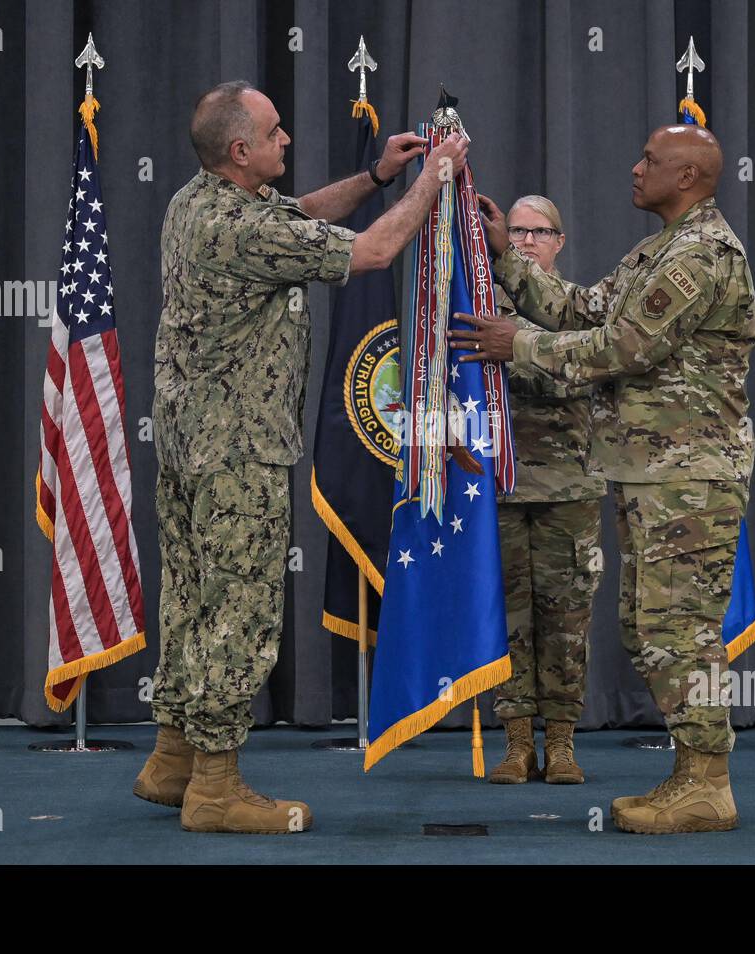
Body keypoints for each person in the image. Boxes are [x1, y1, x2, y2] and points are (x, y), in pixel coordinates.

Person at [134, 80, 467, 834]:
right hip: (238, 451)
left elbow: (304, 216)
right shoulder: (240, 227)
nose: (289, 139)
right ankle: (216, 786)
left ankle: (173, 757)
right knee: (239, 610)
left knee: (191, 601)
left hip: (192, 445)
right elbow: (378, 250)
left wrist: (380, 176)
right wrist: (434, 177)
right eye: (276, 131)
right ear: (241, 151)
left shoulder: (198, 201)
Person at [449, 124, 755, 834]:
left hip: (689, 475)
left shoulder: (701, 255)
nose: (634, 167)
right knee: (652, 625)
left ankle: (708, 781)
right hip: (652, 473)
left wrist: (515, 343)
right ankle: (690, 774)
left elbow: (619, 347)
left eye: (650, 160)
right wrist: (509, 261)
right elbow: (581, 309)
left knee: (681, 629)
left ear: (686, 177)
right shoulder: (658, 251)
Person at [487, 196, 605, 785]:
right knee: (509, 620)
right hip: (499, 490)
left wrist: (520, 354)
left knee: (565, 621)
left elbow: (581, 370)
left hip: (568, 489)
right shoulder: (483, 312)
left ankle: (560, 742)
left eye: (539, 231)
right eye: (516, 230)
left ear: (560, 241)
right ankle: (515, 743)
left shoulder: (579, 312)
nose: (527, 240)